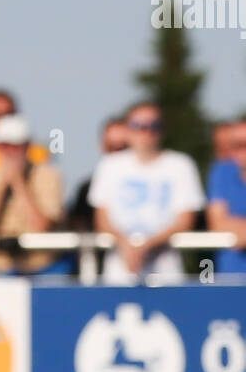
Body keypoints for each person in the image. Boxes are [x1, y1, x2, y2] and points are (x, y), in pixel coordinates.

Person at [88, 102, 204, 283]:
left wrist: (145, 245)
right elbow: (102, 220)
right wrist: (126, 244)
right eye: (139, 126)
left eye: (154, 126)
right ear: (127, 129)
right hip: (119, 271)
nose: (147, 132)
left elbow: (185, 220)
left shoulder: (180, 165)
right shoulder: (109, 166)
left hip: (166, 272)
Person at [0, 114, 67, 274]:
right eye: (4, 145)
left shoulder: (49, 175)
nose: (10, 151)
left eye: (16, 145)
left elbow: (43, 227)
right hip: (1, 268)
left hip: (45, 266)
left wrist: (18, 184)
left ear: (27, 147)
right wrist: (1, 187)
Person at [68, 117, 129, 231]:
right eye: (112, 147)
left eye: (123, 147)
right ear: (101, 146)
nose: (117, 155)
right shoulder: (85, 189)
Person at [206, 117, 246, 275]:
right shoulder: (222, 171)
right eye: (237, 146)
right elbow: (217, 224)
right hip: (231, 278)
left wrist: (238, 230)